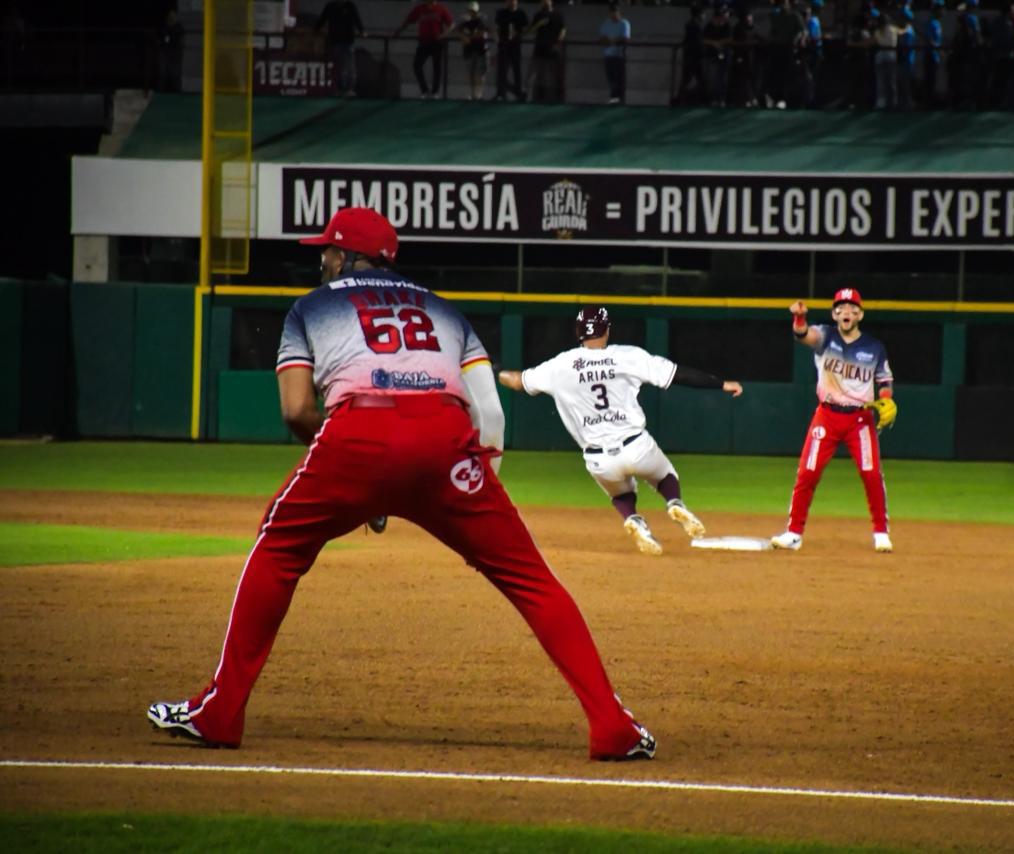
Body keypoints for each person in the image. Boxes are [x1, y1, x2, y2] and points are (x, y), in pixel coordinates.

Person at [146, 208, 655, 763]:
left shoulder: (311, 307)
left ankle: (221, 711)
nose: (322, 258)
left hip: (358, 434)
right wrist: (472, 492)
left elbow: (296, 412)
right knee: (530, 578)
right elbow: (488, 412)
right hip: (448, 444)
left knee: (279, 547)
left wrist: (367, 477)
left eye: (328, 250)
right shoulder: (443, 309)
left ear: (347, 257)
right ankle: (612, 727)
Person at [498, 306, 743, 557]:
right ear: (607, 330)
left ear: (579, 332)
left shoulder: (560, 365)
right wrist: (721, 384)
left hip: (598, 459)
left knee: (621, 493)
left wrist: (495, 372)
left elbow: (516, 380)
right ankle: (674, 503)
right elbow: (678, 374)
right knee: (664, 476)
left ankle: (634, 520)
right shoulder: (628, 356)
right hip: (637, 446)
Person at [771, 288, 896, 554]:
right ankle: (794, 533)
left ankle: (881, 532)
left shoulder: (874, 347)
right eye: (841, 307)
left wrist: (886, 398)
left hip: (859, 418)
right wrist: (800, 319)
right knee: (807, 473)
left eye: (852, 308)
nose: (846, 312)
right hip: (826, 416)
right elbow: (804, 335)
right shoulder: (826, 336)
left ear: (860, 314)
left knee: (871, 474)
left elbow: (884, 381)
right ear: (834, 313)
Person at [395, 0, 454, 99]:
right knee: (417, 65)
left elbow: (451, 24)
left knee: (437, 67)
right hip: (424, 42)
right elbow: (408, 20)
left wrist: (443, 35)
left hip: (436, 42)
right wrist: (398, 32)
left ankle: (435, 92)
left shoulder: (440, 8)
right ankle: (425, 90)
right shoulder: (420, 9)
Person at [316, 0, 366, 96]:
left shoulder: (350, 6)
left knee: (349, 65)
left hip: (348, 41)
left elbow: (357, 20)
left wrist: (362, 31)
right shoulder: (330, 7)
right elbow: (321, 20)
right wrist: (316, 29)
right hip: (334, 41)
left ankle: (348, 88)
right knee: (337, 65)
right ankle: (338, 88)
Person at [527, 0, 566, 103]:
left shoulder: (557, 15)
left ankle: (551, 99)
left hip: (552, 49)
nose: (545, 2)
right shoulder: (538, 15)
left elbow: (562, 29)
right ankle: (535, 97)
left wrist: (558, 42)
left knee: (552, 75)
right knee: (536, 74)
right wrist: (539, 23)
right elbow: (531, 30)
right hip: (539, 49)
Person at [492, 0, 528, 101]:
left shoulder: (521, 13)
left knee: (517, 71)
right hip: (503, 45)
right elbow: (496, 27)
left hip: (515, 46)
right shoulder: (501, 13)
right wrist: (496, 38)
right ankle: (501, 94)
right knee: (501, 73)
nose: (511, 2)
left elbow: (526, 28)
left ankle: (518, 94)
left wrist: (518, 33)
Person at [599, 2, 630, 105]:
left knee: (619, 81)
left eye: (615, 11)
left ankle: (620, 101)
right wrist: (614, 41)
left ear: (619, 12)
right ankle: (614, 100)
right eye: (612, 12)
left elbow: (625, 38)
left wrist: (612, 41)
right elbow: (602, 40)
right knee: (611, 80)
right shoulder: (605, 24)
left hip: (619, 56)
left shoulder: (624, 23)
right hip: (608, 56)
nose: (613, 14)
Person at [458, 0, 490, 100]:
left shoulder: (482, 20)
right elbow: (457, 31)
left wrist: (469, 37)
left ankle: (479, 94)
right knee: (469, 73)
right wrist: (463, 37)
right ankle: (471, 93)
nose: (472, 13)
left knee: (480, 74)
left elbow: (480, 33)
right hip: (469, 50)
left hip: (481, 50)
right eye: (471, 11)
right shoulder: (465, 21)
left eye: (474, 11)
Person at [702, 5, 733, 107]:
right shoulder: (709, 27)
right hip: (711, 56)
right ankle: (713, 99)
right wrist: (714, 43)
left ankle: (721, 99)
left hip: (724, 56)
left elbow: (729, 39)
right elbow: (703, 39)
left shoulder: (727, 26)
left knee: (723, 79)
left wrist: (719, 43)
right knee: (712, 79)